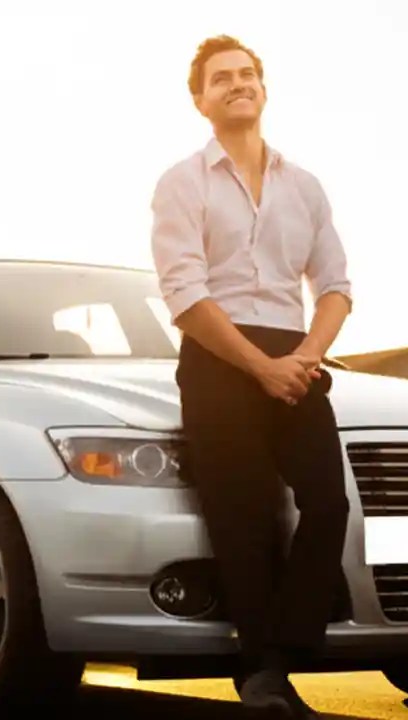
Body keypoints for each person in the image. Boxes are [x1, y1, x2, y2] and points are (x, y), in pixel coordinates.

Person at [149, 35, 353, 718]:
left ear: (263, 89)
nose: (237, 84)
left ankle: (287, 648)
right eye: (221, 78)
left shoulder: (305, 185)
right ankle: (262, 671)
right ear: (201, 101)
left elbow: (335, 285)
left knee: (328, 503)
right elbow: (184, 295)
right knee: (242, 518)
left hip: (296, 359)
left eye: (247, 75)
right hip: (217, 359)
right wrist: (259, 367)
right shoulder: (182, 183)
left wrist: (304, 358)